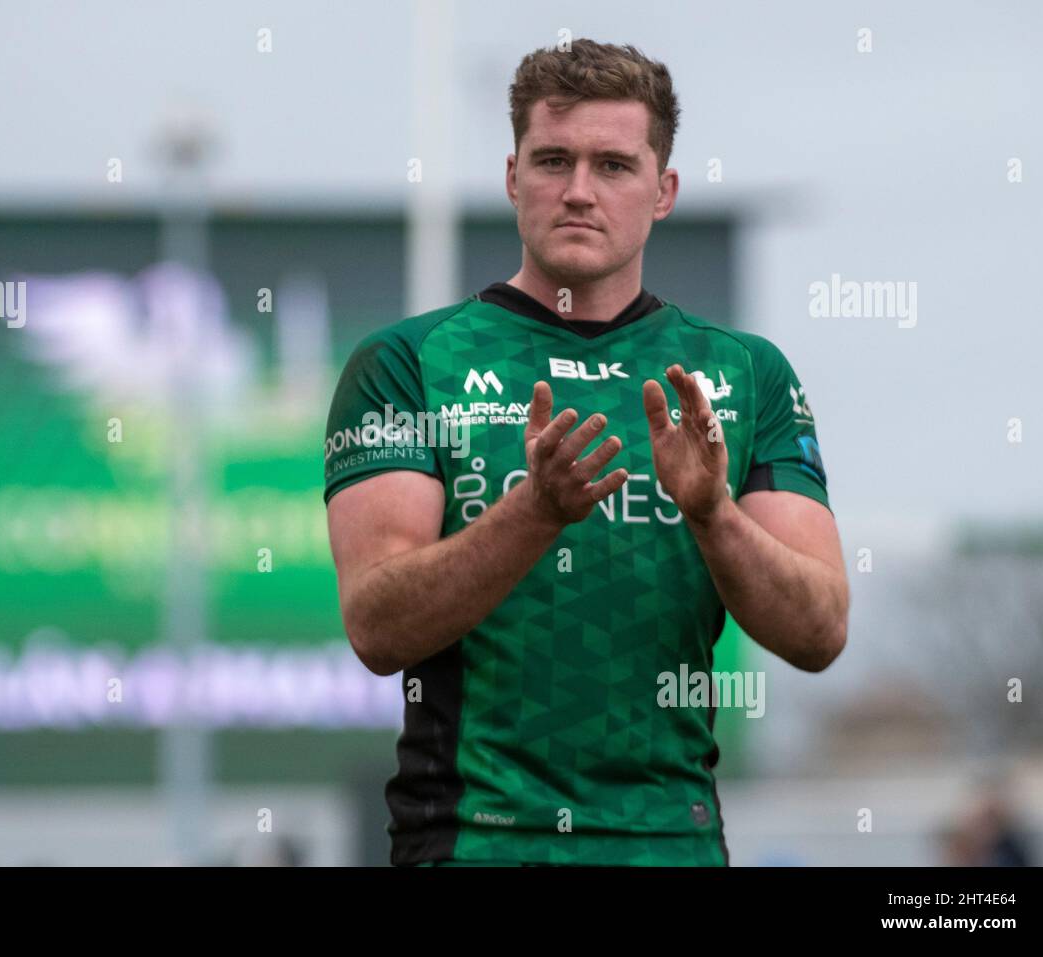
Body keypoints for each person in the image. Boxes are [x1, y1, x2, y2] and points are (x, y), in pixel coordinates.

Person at [323, 39, 849, 866]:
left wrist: (713, 515)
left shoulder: (747, 373)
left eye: (612, 165)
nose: (577, 191)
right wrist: (534, 511)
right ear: (512, 177)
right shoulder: (406, 363)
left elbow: (820, 631)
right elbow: (377, 627)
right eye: (552, 161)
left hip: (673, 845)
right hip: (471, 844)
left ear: (663, 190)